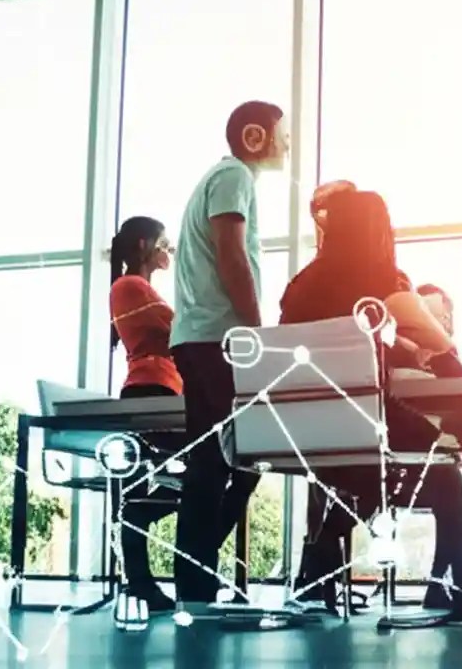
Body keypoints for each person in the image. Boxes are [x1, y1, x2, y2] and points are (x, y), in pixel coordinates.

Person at [280, 190, 462, 623]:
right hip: (362, 415)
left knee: (383, 480)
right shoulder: (378, 278)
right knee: (452, 471)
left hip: (302, 426)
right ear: (379, 233)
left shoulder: (301, 284)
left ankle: (320, 562)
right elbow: (442, 341)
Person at [169, 100, 288, 609]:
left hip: (203, 335)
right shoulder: (234, 175)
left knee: (222, 459)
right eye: (282, 134)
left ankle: (195, 573)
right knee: (220, 461)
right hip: (217, 338)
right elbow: (231, 254)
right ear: (255, 136)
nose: (287, 144)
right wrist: (254, 329)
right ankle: (195, 576)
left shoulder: (225, 177)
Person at [109, 216, 181, 612]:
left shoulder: (142, 288)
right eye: (163, 243)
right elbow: (180, 327)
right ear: (142, 245)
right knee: (194, 476)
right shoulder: (130, 287)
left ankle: (141, 581)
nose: (167, 250)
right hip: (149, 392)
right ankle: (140, 580)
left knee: (177, 480)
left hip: (163, 390)